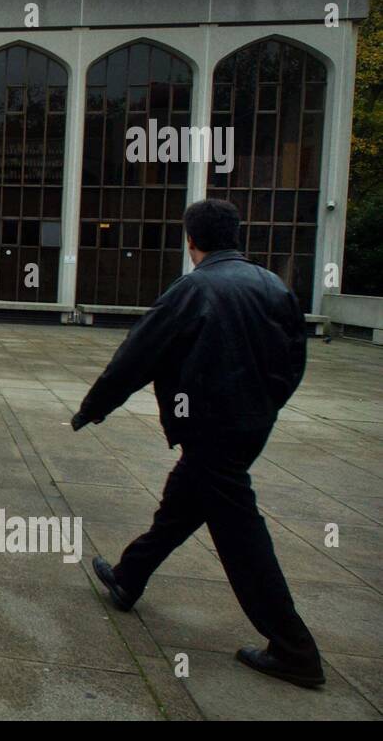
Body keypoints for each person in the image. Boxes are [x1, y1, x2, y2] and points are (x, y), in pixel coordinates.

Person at [73, 198, 323, 689]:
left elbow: (138, 354)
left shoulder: (193, 289)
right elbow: (295, 360)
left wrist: (94, 406)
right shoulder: (273, 286)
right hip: (249, 425)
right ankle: (128, 577)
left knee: (240, 536)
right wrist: (266, 404)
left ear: (192, 241)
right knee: (183, 502)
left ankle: (294, 649)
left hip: (210, 425)